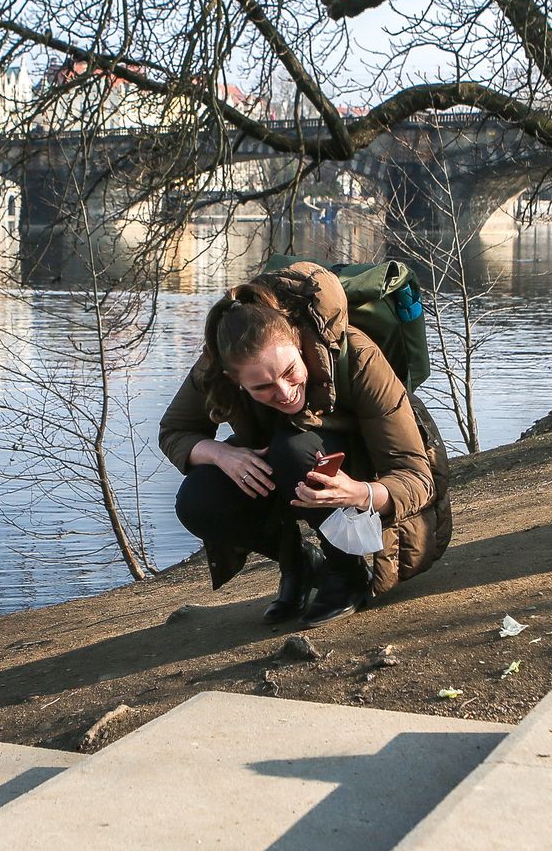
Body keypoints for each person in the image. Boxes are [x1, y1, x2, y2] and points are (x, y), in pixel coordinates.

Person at [159, 260, 452, 627]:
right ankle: (298, 565)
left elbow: (417, 478)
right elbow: (175, 431)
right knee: (197, 500)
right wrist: (221, 454)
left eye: (289, 372)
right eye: (262, 387)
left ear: (297, 342)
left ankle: (348, 574)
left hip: (360, 471)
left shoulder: (357, 355)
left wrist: (359, 492)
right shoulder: (218, 363)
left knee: (294, 450)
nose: (284, 392)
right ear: (235, 380)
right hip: (284, 466)